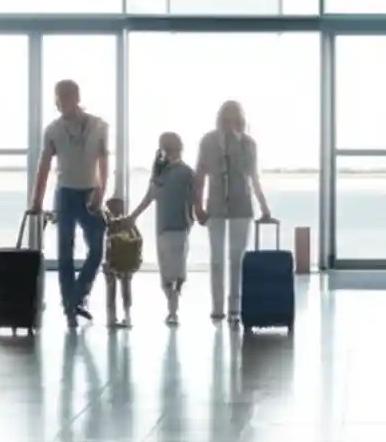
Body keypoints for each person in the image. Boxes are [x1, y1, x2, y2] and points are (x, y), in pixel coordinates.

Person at [31, 79, 110, 329]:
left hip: (90, 192)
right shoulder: (53, 130)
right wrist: (37, 200)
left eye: (65, 97)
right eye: (58, 98)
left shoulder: (98, 125)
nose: (61, 103)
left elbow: (103, 161)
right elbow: (44, 165)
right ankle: (70, 306)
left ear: (76, 97)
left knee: (97, 249)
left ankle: (78, 295)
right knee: (65, 251)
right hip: (65, 194)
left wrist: (101, 191)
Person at [194, 100, 271, 325]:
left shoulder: (248, 143)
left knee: (237, 258)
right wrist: (197, 206)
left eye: (234, 118)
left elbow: (253, 176)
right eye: (226, 118)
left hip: (241, 204)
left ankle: (235, 306)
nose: (229, 123)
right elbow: (200, 174)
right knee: (217, 257)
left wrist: (264, 206)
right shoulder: (208, 141)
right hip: (216, 204)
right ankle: (217, 306)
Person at [128, 132, 195, 326]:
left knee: (173, 270)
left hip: (177, 227)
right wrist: (133, 216)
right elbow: (150, 197)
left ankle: (173, 309)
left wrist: (193, 217)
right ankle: (172, 306)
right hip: (168, 228)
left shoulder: (184, 173)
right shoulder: (161, 173)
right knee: (170, 271)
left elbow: (193, 198)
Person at [101, 196, 141, 329]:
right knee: (124, 287)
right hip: (124, 261)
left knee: (112, 288)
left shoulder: (108, 224)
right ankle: (126, 315)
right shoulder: (128, 223)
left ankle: (112, 318)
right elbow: (138, 240)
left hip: (111, 260)